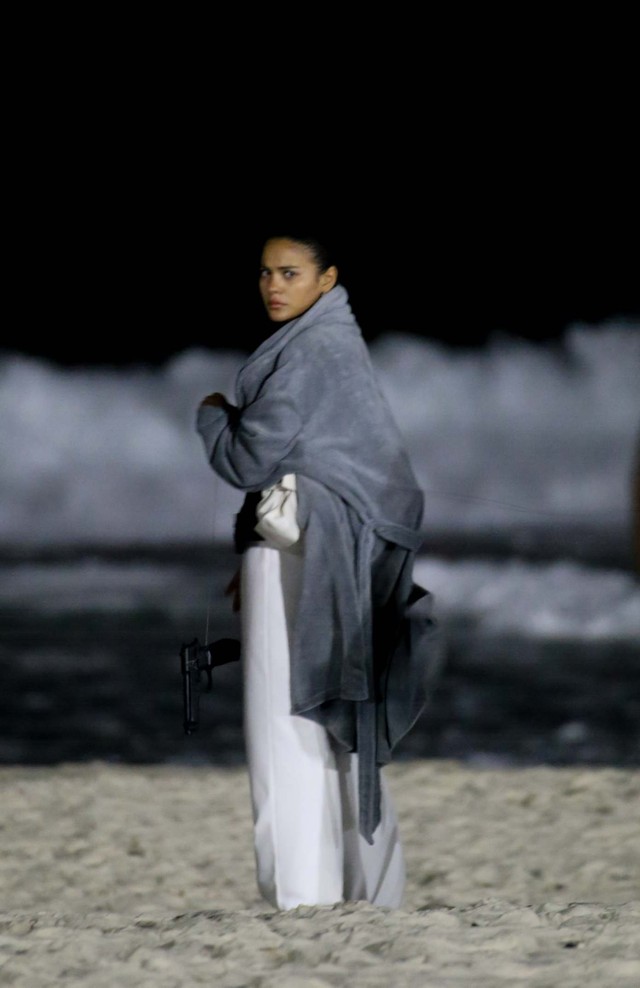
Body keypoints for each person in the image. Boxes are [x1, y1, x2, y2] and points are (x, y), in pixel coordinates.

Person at [196, 232, 436, 911]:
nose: (275, 285)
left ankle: (302, 897)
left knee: (284, 723)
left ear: (326, 279)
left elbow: (247, 461)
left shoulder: (308, 354)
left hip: (305, 551)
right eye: (267, 273)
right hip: (336, 552)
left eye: (291, 273)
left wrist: (212, 415)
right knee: (339, 721)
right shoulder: (337, 346)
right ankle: (366, 891)